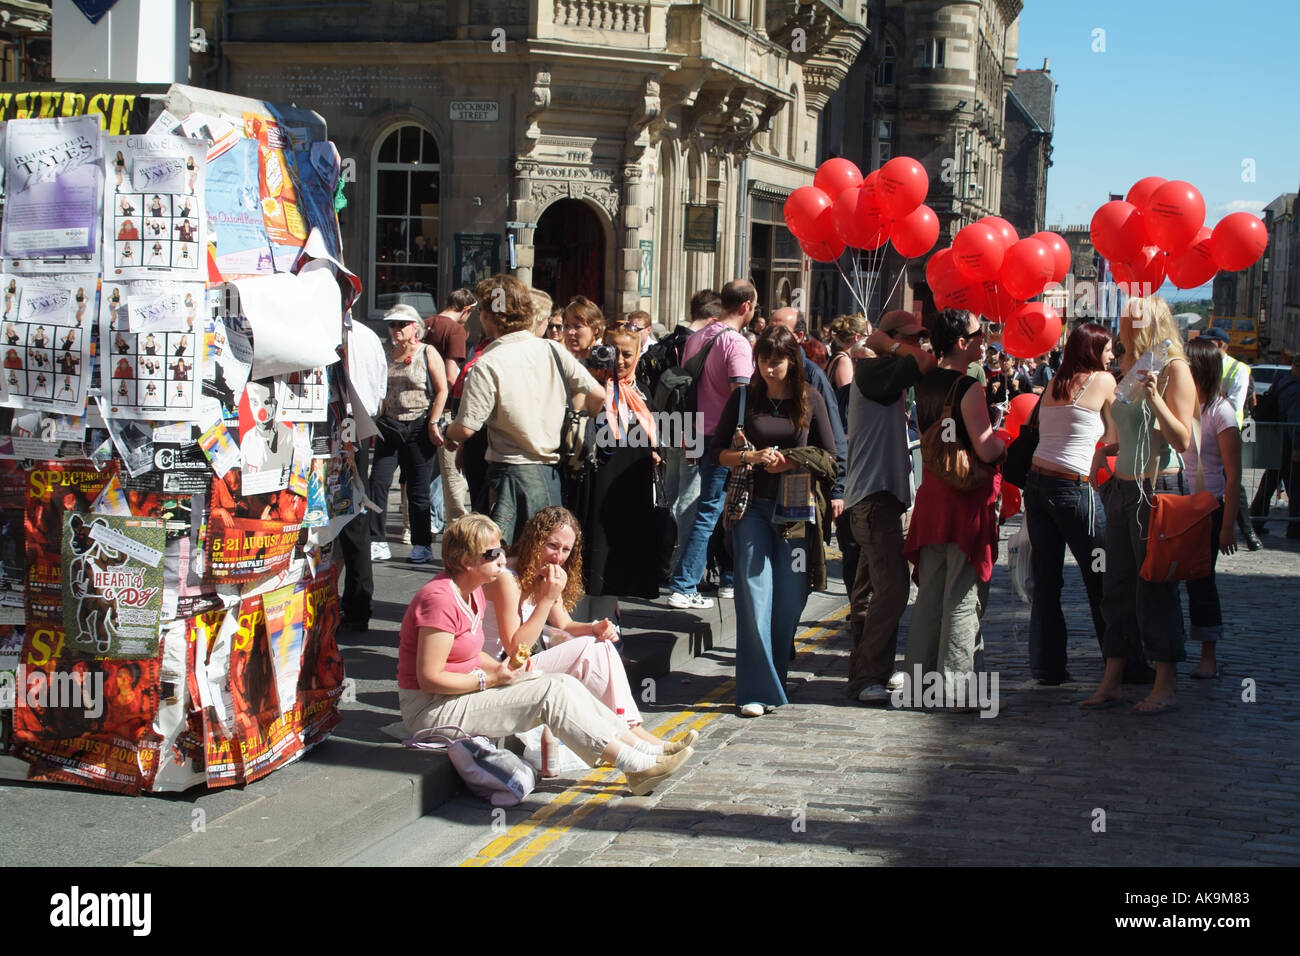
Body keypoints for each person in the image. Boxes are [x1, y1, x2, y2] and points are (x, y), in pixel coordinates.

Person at [397, 515, 694, 796]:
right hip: (429, 711)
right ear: (465, 561)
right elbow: (429, 679)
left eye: (501, 549)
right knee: (550, 691)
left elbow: (470, 654)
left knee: (562, 684)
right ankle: (634, 766)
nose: (501, 558)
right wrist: (492, 679)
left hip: (459, 693)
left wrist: (504, 669)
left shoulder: (472, 588)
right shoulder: (439, 599)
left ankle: (641, 751)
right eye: (491, 555)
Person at [481, 507, 695, 753]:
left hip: (521, 667)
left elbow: (564, 624)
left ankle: (635, 733)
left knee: (599, 643)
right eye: (552, 546)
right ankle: (636, 738)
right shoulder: (507, 578)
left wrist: (597, 627)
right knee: (587, 648)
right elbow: (514, 649)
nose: (558, 557)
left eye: (566, 550)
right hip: (498, 671)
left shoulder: (543, 573)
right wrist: (547, 600)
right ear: (534, 540)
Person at [711, 326, 838, 716]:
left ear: (792, 361)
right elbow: (718, 454)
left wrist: (793, 461)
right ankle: (754, 689)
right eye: (763, 359)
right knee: (753, 596)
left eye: (777, 360)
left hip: (796, 507)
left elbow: (831, 456)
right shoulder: (744, 398)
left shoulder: (810, 398)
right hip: (752, 506)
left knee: (788, 599)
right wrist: (750, 457)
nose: (769, 367)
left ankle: (774, 676)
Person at [1083, 296, 1196, 715]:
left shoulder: (1173, 369)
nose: (1121, 330)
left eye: (1129, 322)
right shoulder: (1133, 367)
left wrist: (1156, 399)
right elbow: (1129, 433)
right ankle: (1113, 679)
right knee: (1116, 588)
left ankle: (1164, 682)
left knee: (1154, 586)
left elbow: (1181, 439)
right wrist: (1106, 451)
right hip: (1124, 487)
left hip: (1157, 489)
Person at [445, 275, 605, 546]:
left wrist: (446, 431)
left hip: (510, 475)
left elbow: (466, 427)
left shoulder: (488, 362)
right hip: (551, 472)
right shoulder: (551, 349)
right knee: (543, 556)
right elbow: (598, 394)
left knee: (507, 561)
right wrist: (575, 422)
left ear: (486, 316)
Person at [901, 309, 1006, 708]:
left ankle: (919, 686)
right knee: (961, 596)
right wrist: (1006, 436)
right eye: (980, 334)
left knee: (929, 596)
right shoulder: (969, 388)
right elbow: (985, 447)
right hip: (963, 500)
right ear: (962, 343)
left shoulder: (925, 383)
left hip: (933, 497)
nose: (985, 340)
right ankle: (957, 690)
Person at [843, 311, 935, 704]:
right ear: (890, 338)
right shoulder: (872, 369)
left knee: (870, 592)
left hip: (880, 496)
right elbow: (924, 363)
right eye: (911, 338)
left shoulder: (884, 371)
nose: (920, 345)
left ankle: (865, 671)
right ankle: (869, 675)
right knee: (893, 591)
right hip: (874, 497)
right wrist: (890, 345)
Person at [1023, 322, 1116, 685]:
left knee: (1047, 581)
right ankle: (1119, 663)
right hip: (1072, 489)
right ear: (1093, 350)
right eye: (1108, 349)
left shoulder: (1054, 383)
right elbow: (1116, 434)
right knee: (1103, 577)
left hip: (1038, 485)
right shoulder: (1103, 381)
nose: (1112, 355)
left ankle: (1048, 667)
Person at [667, 280, 756, 609]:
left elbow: (690, 390)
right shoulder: (737, 344)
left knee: (709, 509)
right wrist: (744, 437)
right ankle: (685, 583)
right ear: (746, 306)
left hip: (695, 432)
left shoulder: (698, 337)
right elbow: (740, 396)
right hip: (722, 437)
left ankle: (721, 579)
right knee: (712, 512)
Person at [578, 320, 661, 599]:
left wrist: (652, 450)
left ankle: (609, 622)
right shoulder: (591, 386)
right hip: (599, 479)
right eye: (615, 352)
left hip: (631, 485)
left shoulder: (642, 390)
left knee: (622, 556)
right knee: (595, 555)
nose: (622, 360)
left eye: (628, 354)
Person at [368, 304, 448, 565]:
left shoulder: (427, 352)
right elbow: (380, 390)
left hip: (418, 424)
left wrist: (433, 422)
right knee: (378, 482)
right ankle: (377, 540)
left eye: (402, 323)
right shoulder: (387, 353)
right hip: (389, 425)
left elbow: (441, 390)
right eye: (393, 324)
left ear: (415, 326)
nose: (397, 329)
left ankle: (422, 544)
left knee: (418, 489)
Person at [1181, 337, 1242, 680]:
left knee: (1201, 582)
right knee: (1166, 577)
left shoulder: (1221, 412)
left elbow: (1234, 476)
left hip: (1207, 507)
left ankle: (1208, 655)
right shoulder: (1183, 404)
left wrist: (1227, 526)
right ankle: (1167, 652)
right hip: (1178, 504)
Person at [1196, 327, 1261, 550]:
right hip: (1211, 427)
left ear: (1221, 344)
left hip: (1229, 428)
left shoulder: (1238, 368)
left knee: (1232, 479)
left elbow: (1235, 402)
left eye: (1209, 343)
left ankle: (1247, 531)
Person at [425, 289, 475, 526]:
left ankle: (423, 521)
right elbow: (450, 376)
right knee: (450, 470)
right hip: (443, 407)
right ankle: (452, 522)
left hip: (420, 404)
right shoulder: (456, 330)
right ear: (466, 310)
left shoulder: (426, 323)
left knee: (424, 471)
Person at [561, 295, 605, 366]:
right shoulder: (565, 361)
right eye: (566, 326)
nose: (570, 332)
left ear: (596, 329)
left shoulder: (604, 361)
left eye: (577, 326)